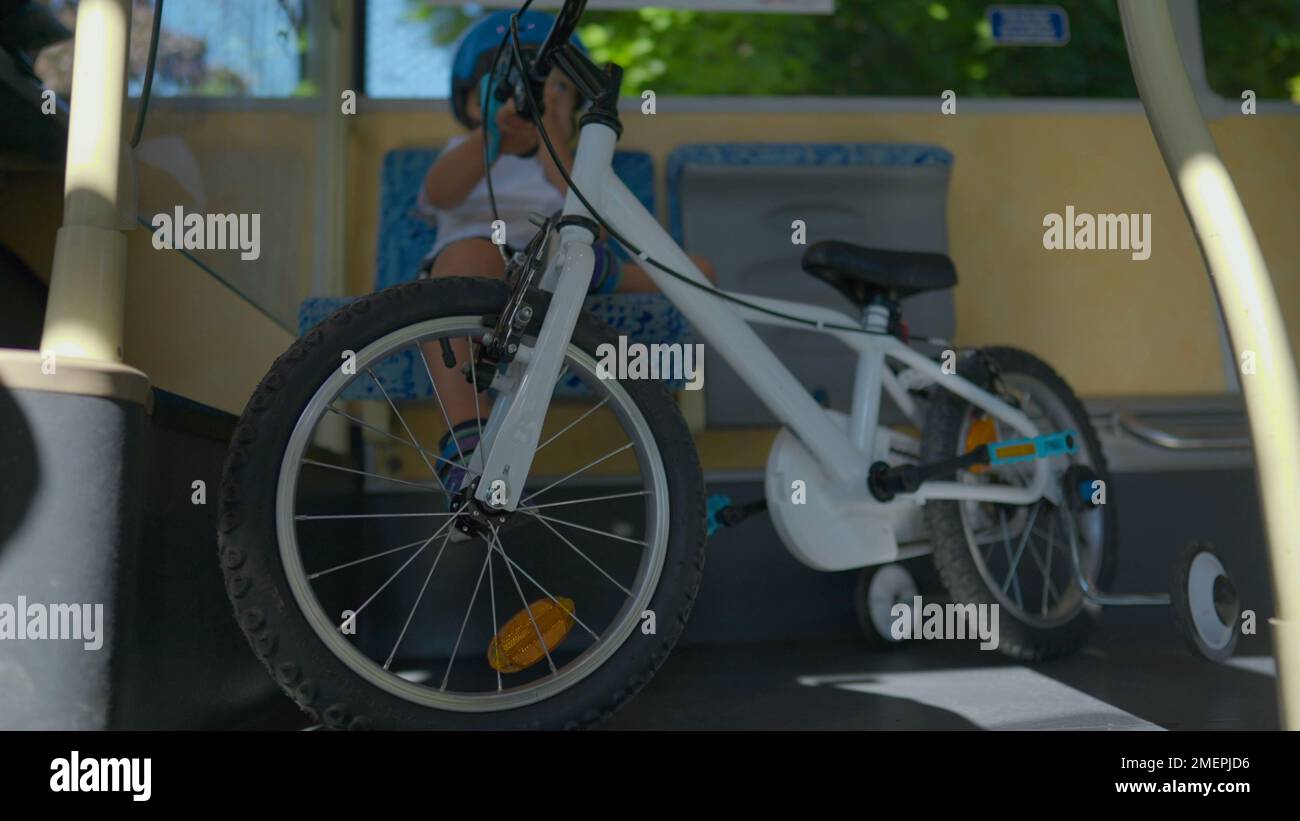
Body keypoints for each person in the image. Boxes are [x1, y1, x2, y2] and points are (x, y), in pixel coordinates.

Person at [418, 10, 715, 493]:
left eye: (555, 90)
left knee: (695, 270)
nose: (533, 100)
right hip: (478, 267)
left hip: (562, 258)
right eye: (508, 87)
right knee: (466, 259)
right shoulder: (464, 148)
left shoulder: (571, 162)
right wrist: (490, 137)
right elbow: (440, 194)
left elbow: (593, 218)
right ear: (473, 105)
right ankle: (466, 441)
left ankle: (595, 271)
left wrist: (552, 145)